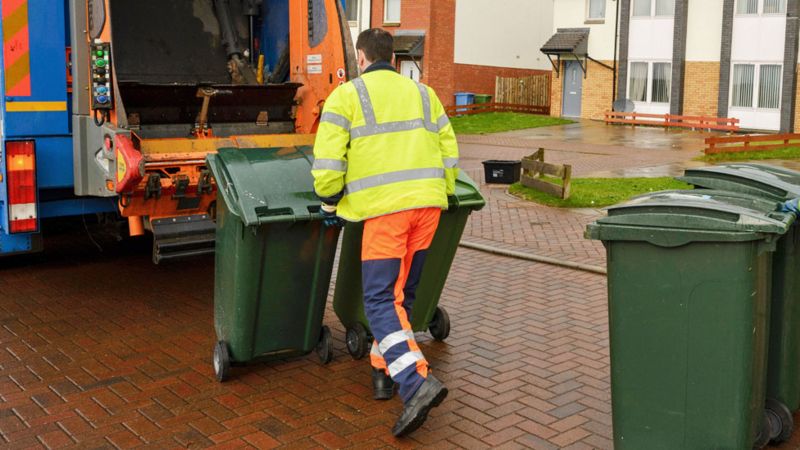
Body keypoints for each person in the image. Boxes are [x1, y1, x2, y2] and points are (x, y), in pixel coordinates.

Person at [311, 28, 459, 437]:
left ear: (360, 58)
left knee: (378, 300)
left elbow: (327, 167)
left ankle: (415, 382)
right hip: (427, 209)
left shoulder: (347, 96)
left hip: (385, 213)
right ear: (393, 58)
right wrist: (442, 192)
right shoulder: (425, 94)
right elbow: (450, 150)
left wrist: (328, 201)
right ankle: (383, 371)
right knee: (402, 297)